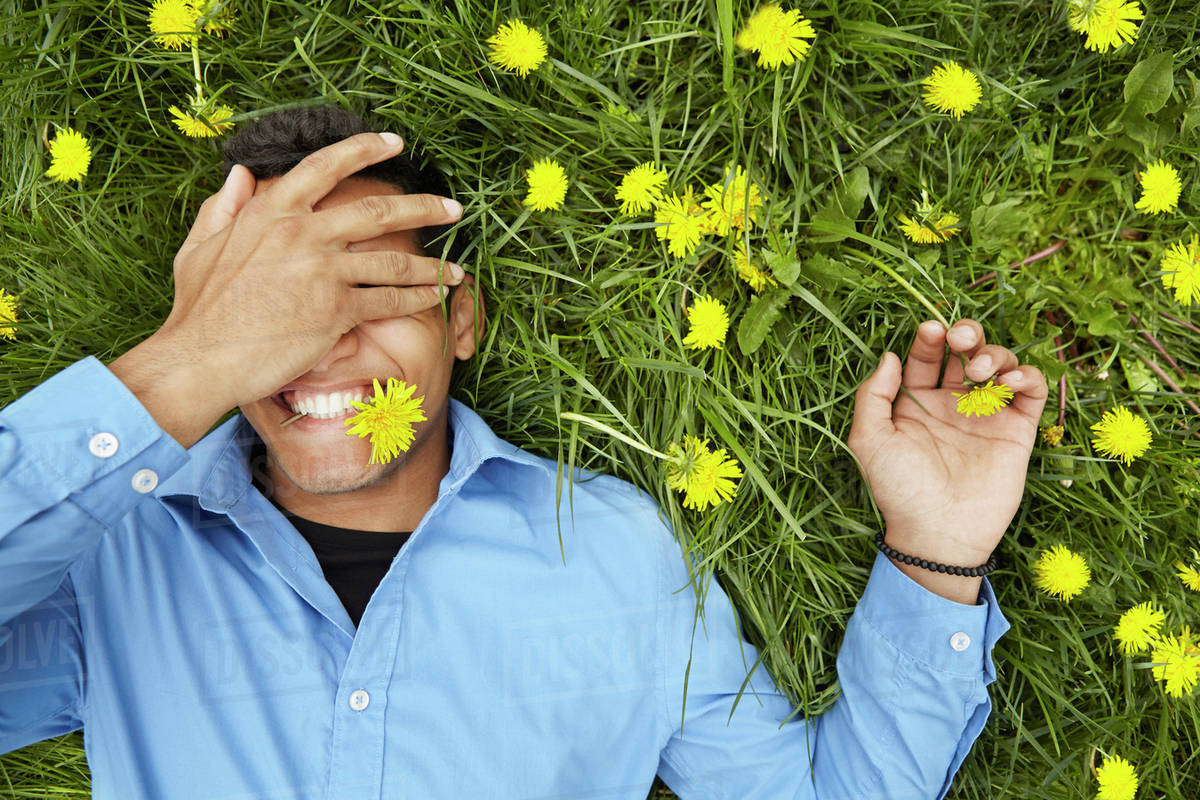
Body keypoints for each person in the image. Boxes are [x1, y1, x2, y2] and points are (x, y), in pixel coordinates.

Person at [0, 105, 1046, 799]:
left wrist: (935, 551)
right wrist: (187, 361)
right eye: (272, 315)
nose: (319, 345)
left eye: (369, 290)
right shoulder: (106, 553)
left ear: (459, 319)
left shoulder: (614, 550)